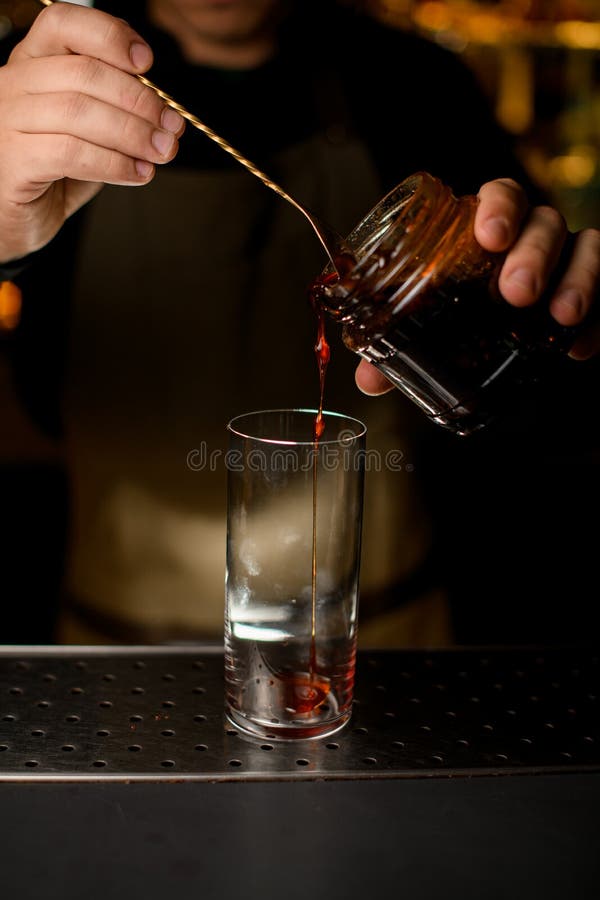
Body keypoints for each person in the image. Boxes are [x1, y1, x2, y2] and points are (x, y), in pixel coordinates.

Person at [0, 0, 598, 646]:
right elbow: (36, 392)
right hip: (123, 655)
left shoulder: (411, 80)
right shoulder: (48, 89)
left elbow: (535, 396)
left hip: (380, 643)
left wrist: (546, 302)